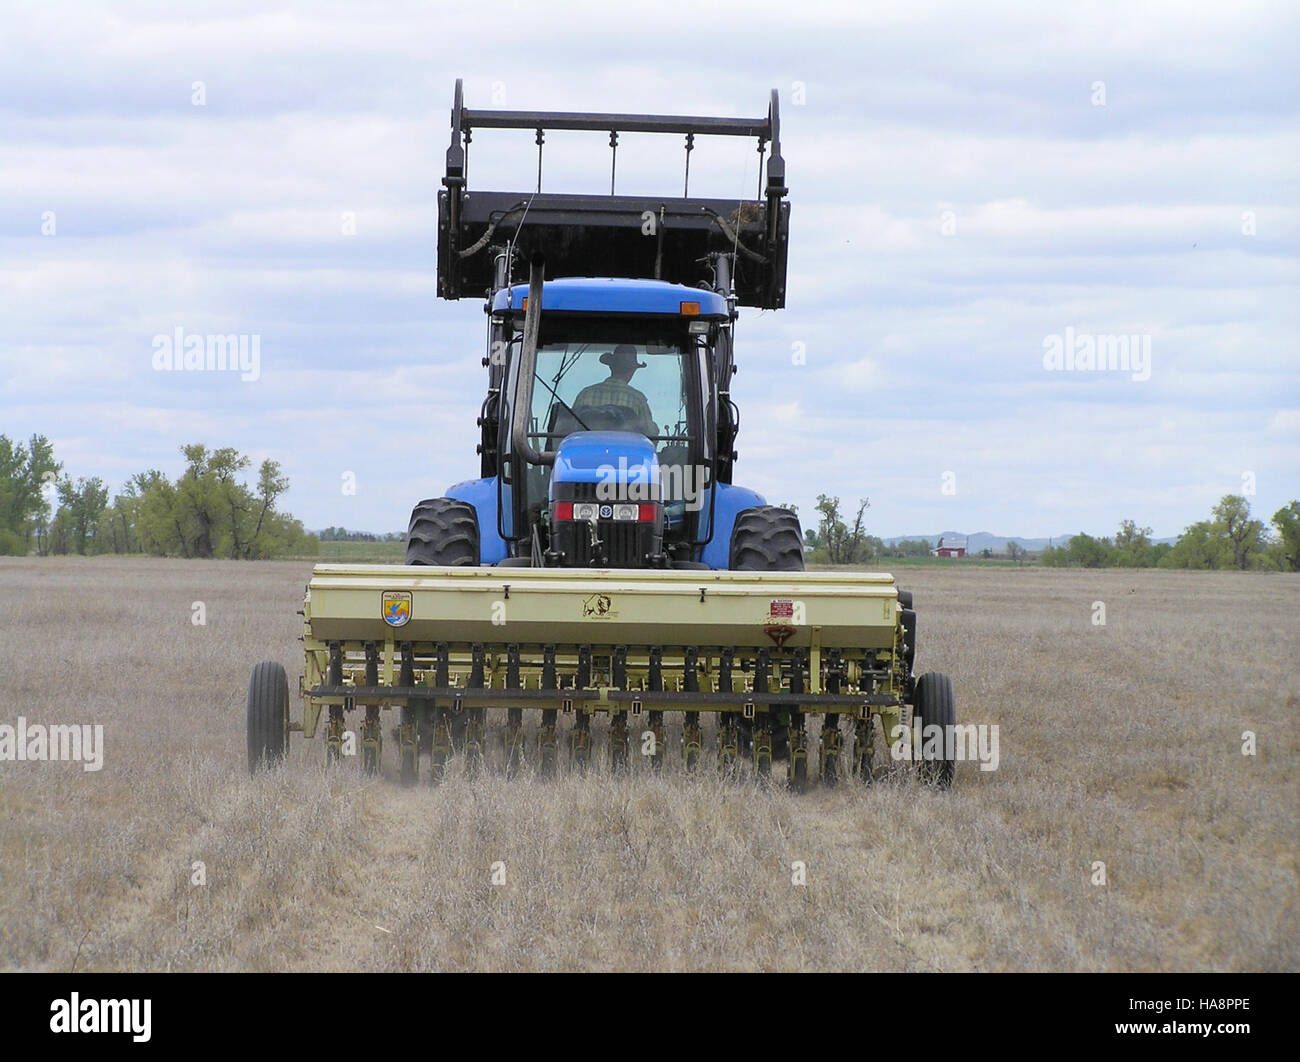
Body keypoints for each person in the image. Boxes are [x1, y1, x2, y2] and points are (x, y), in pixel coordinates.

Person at [572, 345, 658, 437]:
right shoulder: (638, 399)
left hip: (584, 450)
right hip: (625, 451)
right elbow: (650, 435)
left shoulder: (585, 394)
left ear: (611, 367)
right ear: (632, 371)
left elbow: (570, 429)